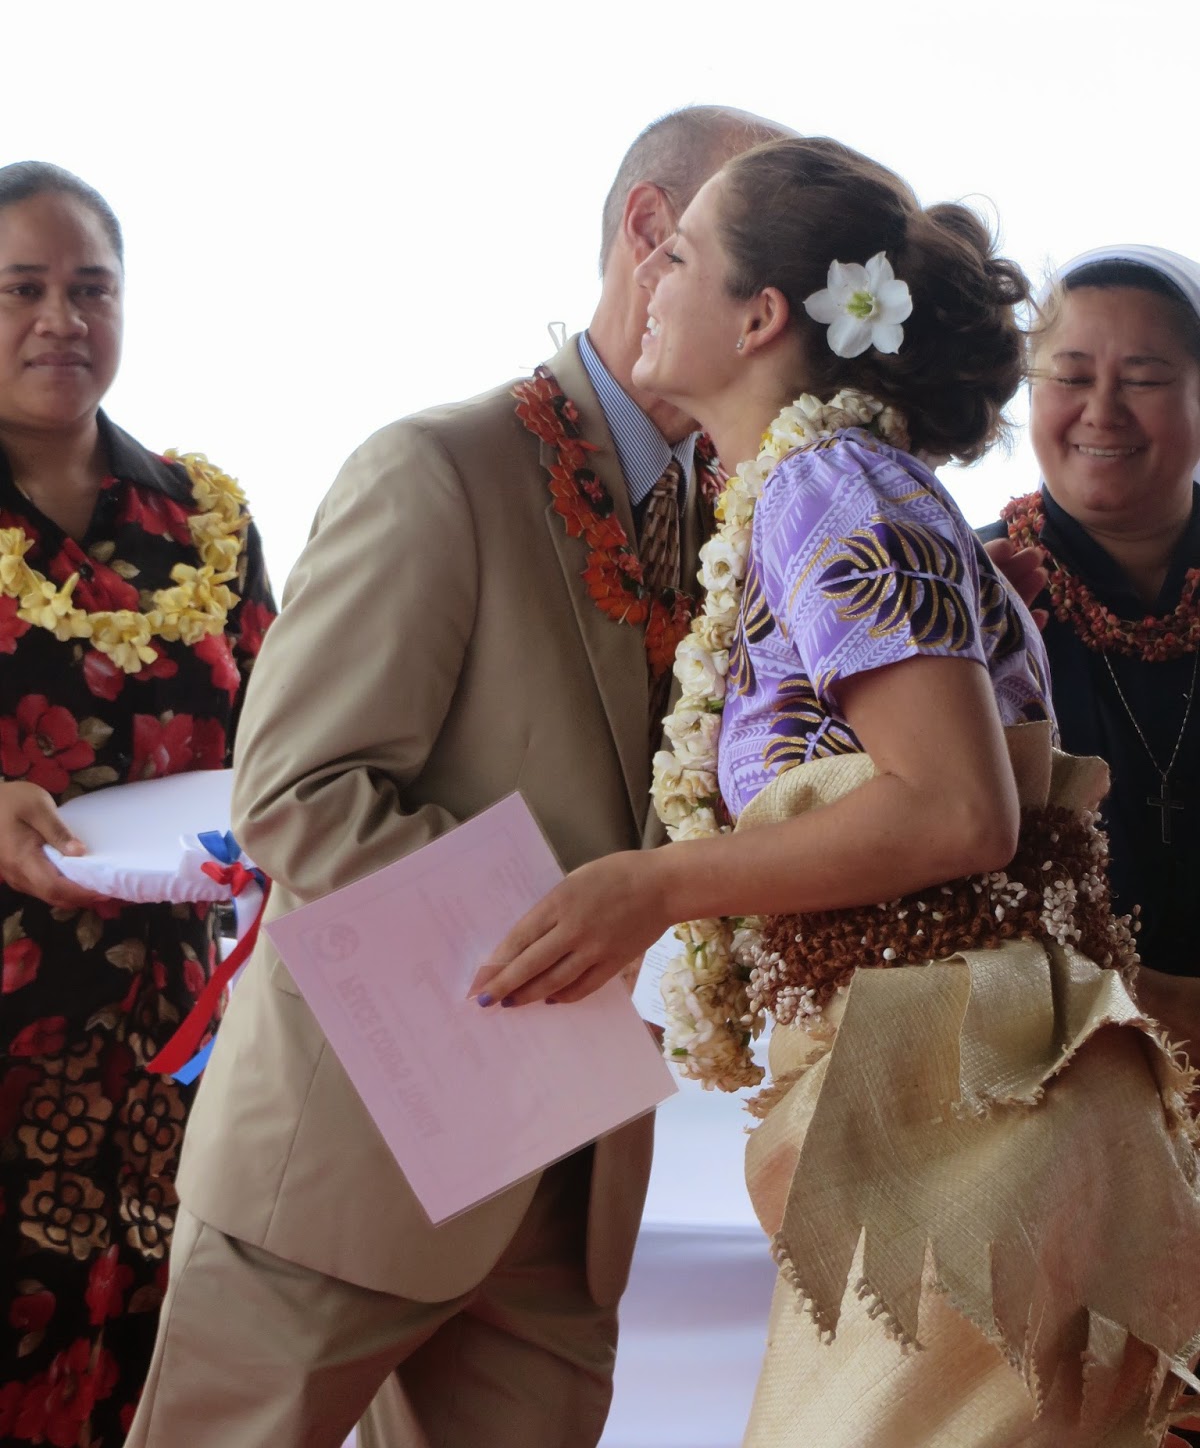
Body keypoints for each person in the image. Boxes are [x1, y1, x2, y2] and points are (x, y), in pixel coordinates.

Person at [478, 139, 1200, 1445]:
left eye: (680, 253)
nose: (651, 276)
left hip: (971, 1108)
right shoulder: (819, 489)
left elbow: (954, 810)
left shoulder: (829, 486)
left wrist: (651, 886)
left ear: (761, 317)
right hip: (950, 1095)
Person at [124, 106, 795, 1448]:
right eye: (767, 268)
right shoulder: (437, 467)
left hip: (572, 1185)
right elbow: (297, 788)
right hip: (351, 1152)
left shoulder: (749, 512)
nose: (789, 325)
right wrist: (576, 925)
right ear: (655, 236)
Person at [0, 162, 275, 1446]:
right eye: (22, 289)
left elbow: (283, 729)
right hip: (8, 1038)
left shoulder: (198, 520)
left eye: (89, 289)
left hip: (170, 1037)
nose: (62, 318)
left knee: (159, 1362)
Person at [979, 246, 1200, 1050]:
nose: (1102, 410)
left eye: (1143, 379)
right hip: (1055, 1064)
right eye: (1070, 378)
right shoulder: (966, 590)